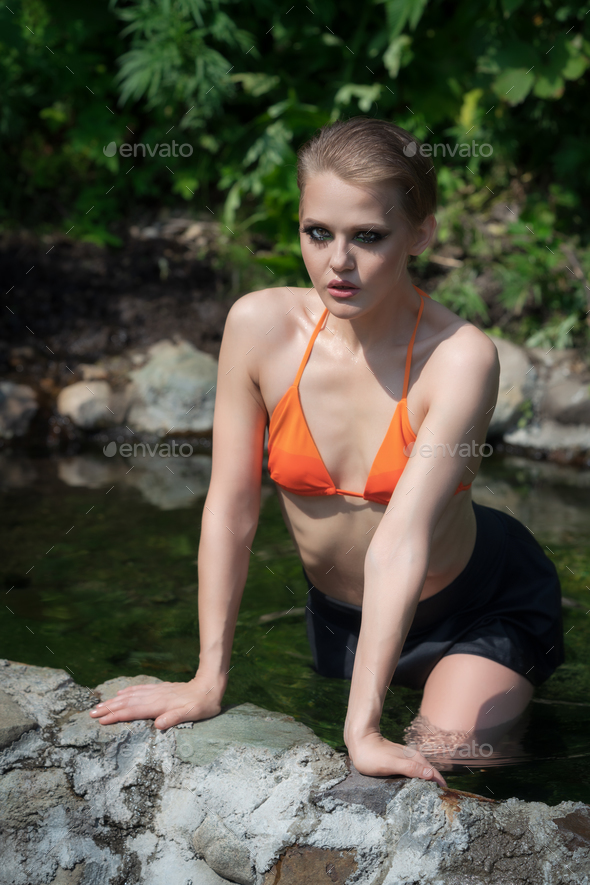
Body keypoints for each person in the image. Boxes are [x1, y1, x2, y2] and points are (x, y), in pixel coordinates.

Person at [90, 117, 565, 786]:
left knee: (448, 761)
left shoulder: (459, 359)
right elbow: (230, 509)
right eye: (319, 233)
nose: (338, 262)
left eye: (368, 237)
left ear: (420, 233)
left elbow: (400, 542)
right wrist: (207, 678)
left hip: (476, 606)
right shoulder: (259, 327)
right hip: (342, 617)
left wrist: (362, 730)